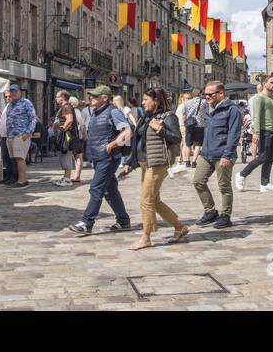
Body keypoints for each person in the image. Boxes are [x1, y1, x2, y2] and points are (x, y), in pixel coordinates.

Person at [119, 88, 187, 249]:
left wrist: (161, 129)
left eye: (145, 99)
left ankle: (146, 237)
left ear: (156, 101)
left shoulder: (168, 116)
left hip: (158, 162)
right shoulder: (146, 117)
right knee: (154, 201)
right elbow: (139, 142)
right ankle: (179, 227)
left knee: (146, 200)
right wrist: (130, 162)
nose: (142, 102)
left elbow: (177, 138)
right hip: (144, 162)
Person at [66, 85, 132, 235]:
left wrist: (112, 145)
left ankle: (86, 222)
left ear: (104, 98)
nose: (91, 98)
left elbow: (128, 131)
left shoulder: (113, 112)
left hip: (108, 157)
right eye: (91, 96)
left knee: (96, 188)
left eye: (95, 96)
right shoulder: (96, 112)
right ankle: (123, 221)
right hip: (98, 157)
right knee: (110, 190)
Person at [192, 82, 242, 229]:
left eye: (210, 94)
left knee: (224, 186)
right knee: (198, 181)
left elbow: (234, 134)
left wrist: (227, 155)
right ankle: (210, 211)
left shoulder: (232, 110)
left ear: (221, 93)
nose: (206, 97)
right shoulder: (208, 109)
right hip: (207, 153)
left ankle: (225, 216)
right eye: (205, 94)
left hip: (223, 154)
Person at [237, 76, 273, 193]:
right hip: (263, 130)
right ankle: (242, 175)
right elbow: (256, 116)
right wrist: (256, 133)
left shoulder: (272, 97)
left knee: (270, 157)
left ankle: (265, 183)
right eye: (271, 82)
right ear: (264, 83)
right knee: (263, 156)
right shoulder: (259, 98)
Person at [3, 83, 36, 187]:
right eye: (11, 91)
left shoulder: (26, 103)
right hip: (11, 135)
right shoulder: (9, 105)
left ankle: (22, 181)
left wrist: (28, 132)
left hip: (21, 134)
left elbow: (33, 118)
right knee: (14, 159)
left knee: (20, 158)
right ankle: (17, 179)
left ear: (20, 92)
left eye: (15, 91)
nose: (13, 93)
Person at [52, 105, 79, 186]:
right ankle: (65, 177)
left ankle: (67, 179)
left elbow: (70, 120)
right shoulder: (64, 107)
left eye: (57, 97)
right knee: (65, 154)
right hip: (65, 135)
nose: (56, 99)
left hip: (66, 136)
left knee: (66, 153)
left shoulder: (66, 107)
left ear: (62, 97)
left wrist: (62, 130)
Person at [178, 89, 205, 170]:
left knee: (187, 144)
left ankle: (186, 161)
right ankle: (194, 162)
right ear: (199, 94)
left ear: (192, 95)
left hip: (189, 125)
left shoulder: (186, 103)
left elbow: (184, 115)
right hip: (200, 125)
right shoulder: (204, 102)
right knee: (197, 144)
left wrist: (185, 124)